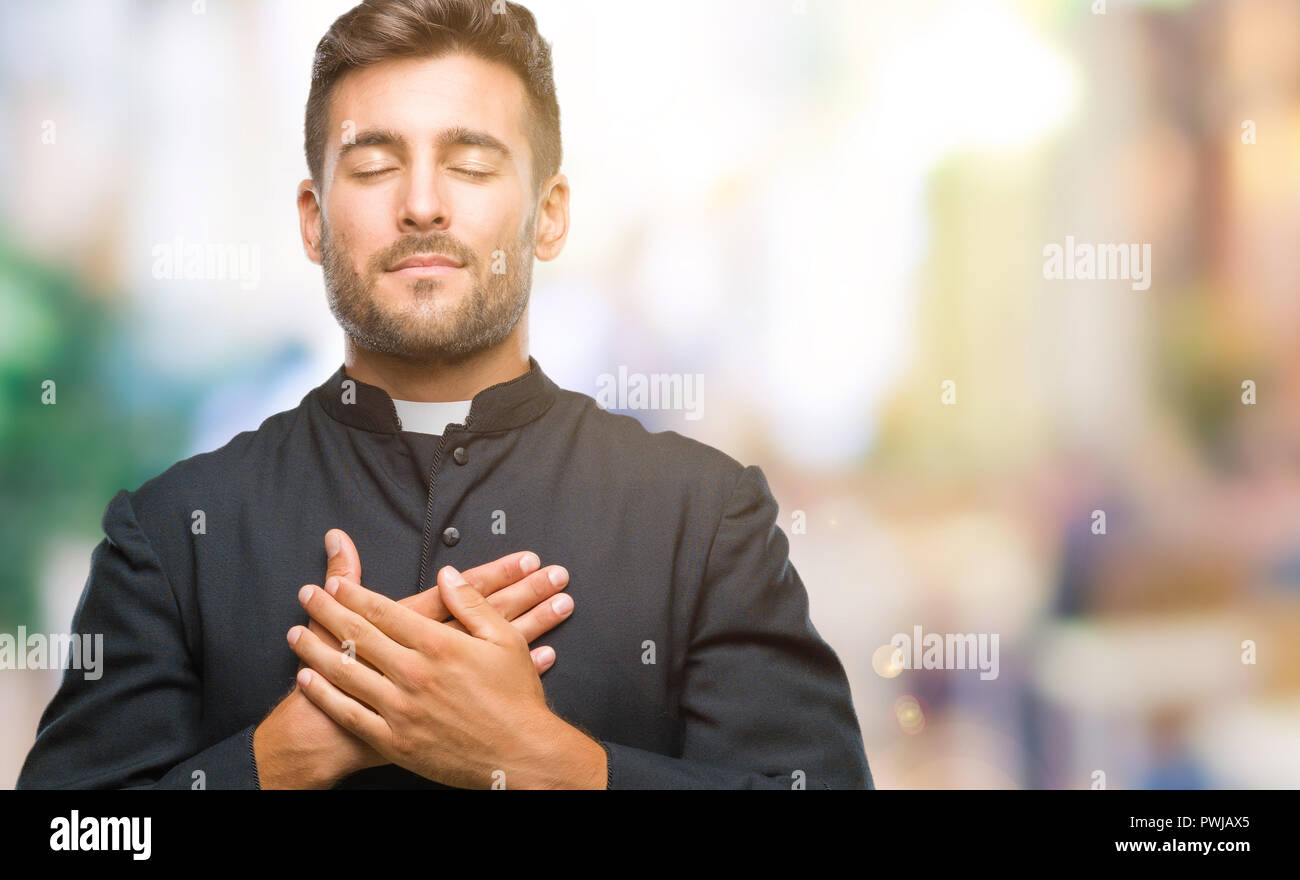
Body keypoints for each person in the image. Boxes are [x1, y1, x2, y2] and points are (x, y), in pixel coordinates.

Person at [17, 0, 873, 789]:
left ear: (549, 214)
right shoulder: (173, 537)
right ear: (313, 219)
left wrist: (546, 762)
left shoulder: (704, 519)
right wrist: (274, 761)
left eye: (469, 164)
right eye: (375, 165)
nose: (422, 205)